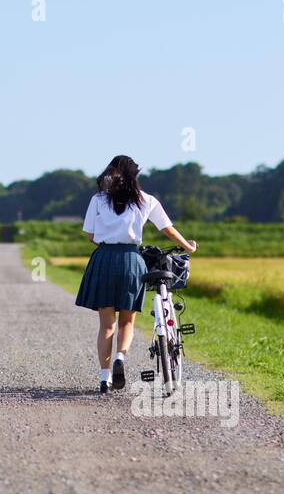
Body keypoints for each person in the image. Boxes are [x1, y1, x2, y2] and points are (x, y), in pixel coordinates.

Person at [75, 155, 197, 392]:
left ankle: (104, 377)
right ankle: (121, 356)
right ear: (135, 175)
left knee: (106, 325)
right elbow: (167, 229)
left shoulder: (98, 199)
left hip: (104, 259)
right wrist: (189, 246)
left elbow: (90, 236)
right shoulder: (146, 200)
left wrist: (108, 244)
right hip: (132, 260)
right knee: (127, 321)